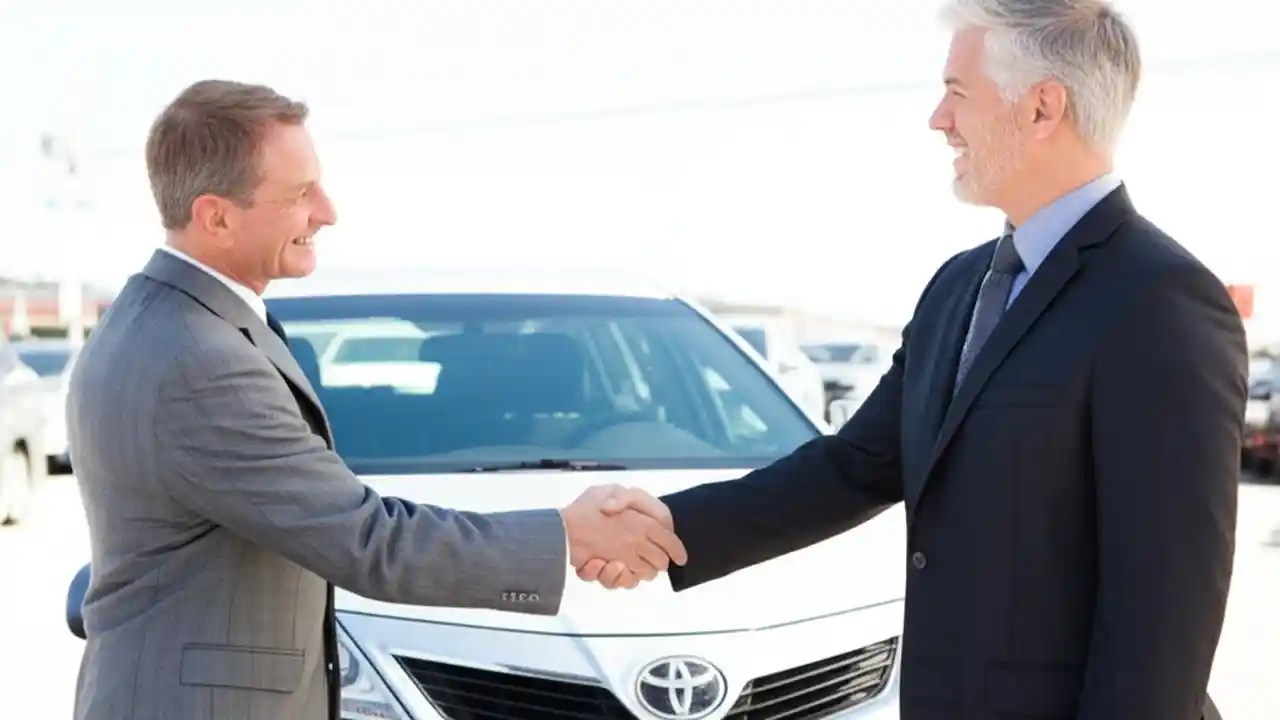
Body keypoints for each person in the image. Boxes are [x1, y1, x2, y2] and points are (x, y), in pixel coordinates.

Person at [583, 1, 1245, 718]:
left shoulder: (1159, 299)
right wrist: (669, 528)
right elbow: (854, 466)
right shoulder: (958, 286)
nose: (939, 119)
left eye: (957, 92)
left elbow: (1166, 608)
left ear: (1042, 108)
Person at [67, 79, 685, 720]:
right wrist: (565, 536)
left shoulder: (161, 319)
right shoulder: (198, 356)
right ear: (216, 217)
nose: (327, 212)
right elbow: (369, 541)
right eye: (300, 194)